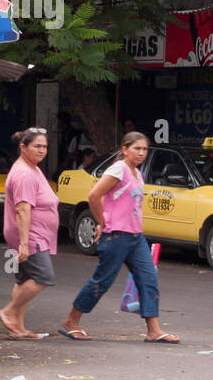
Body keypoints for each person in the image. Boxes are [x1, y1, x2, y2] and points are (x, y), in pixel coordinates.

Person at [60, 132, 180, 343]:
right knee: (102, 281)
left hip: (135, 237)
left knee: (148, 278)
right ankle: (71, 321)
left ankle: (153, 330)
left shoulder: (136, 172)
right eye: (137, 148)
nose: (141, 153)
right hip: (116, 236)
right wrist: (101, 222)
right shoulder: (119, 169)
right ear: (125, 149)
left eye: (144, 149)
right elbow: (94, 195)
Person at [0, 128, 58, 339]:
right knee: (43, 276)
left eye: (44, 146)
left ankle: (18, 328)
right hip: (30, 235)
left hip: (33, 234)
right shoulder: (24, 173)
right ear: (23, 148)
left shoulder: (32, 168)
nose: (42, 150)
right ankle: (9, 311)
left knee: (24, 279)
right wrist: (24, 244)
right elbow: (22, 209)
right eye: (37, 146)